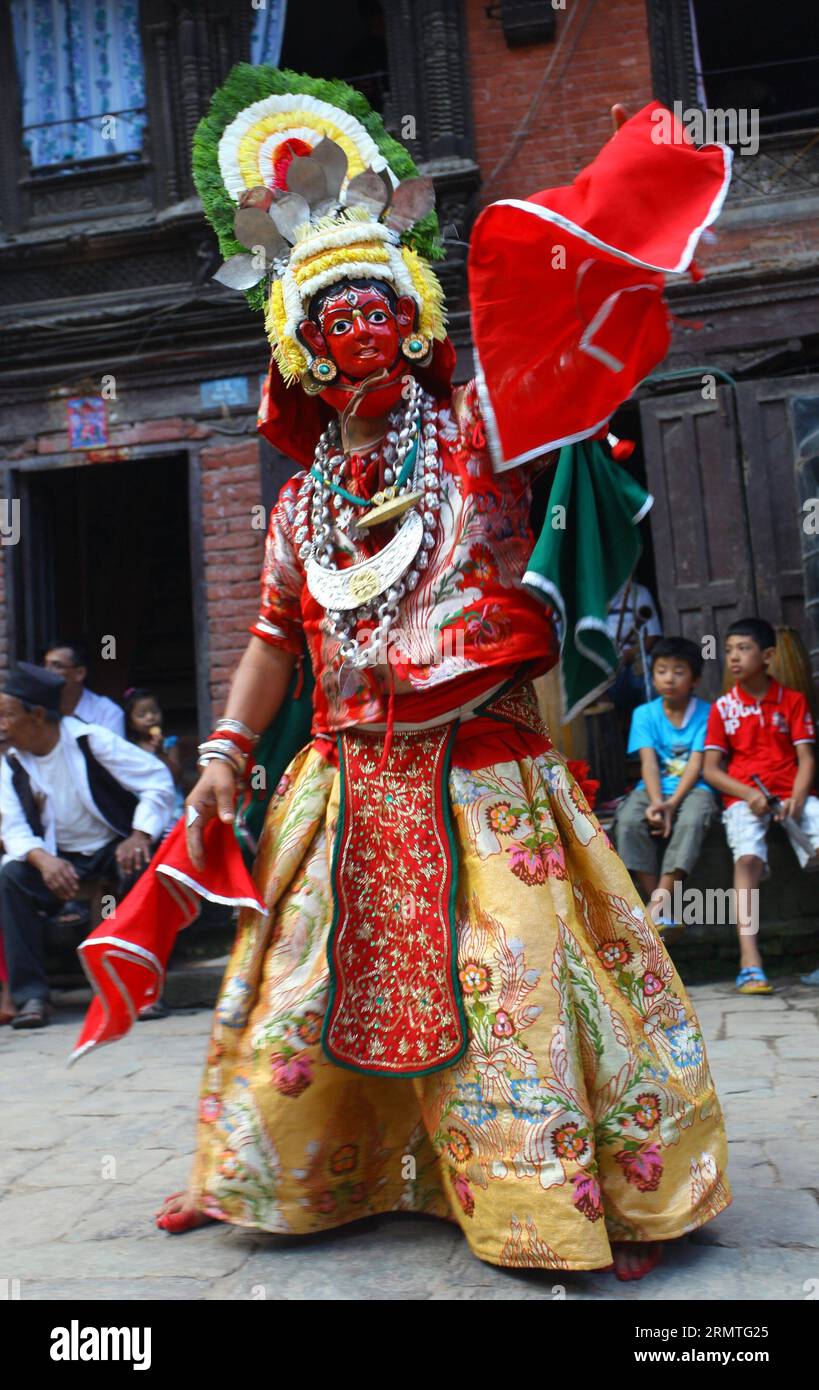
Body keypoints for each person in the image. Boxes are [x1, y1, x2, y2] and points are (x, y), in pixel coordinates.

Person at [83, 72, 732, 1280]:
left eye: (382, 303)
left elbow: (568, 400)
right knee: (291, 988)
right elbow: (277, 637)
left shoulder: (482, 435)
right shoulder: (297, 511)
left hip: (483, 775)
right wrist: (226, 749)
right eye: (335, 314)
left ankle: (567, 1198)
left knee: (515, 984)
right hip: (342, 781)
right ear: (303, 347)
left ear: (416, 318)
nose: (363, 326)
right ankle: (276, 1174)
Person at [0, 663, 175, 1029]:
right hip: (58, 856)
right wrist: (45, 861)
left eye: (5, 715)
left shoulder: (90, 739)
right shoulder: (9, 760)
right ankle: (30, 995)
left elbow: (157, 780)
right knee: (11, 877)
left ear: (36, 715)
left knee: (140, 866)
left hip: (113, 848)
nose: (0, 724)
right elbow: (12, 827)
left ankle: (139, 988)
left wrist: (140, 834)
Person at [703, 618, 819, 995]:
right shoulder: (723, 707)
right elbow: (711, 770)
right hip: (744, 799)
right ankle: (750, 962)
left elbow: (807, 759)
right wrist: (749, 795)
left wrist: (798, 799)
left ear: (768, 655)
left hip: (793, 795)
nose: (733, 657)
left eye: (743, 649)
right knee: (748, 859)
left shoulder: (793, 702)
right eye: (729, 650)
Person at [615, 637, 715, 926]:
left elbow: (696, 765)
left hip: (695, 787)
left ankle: (657, 905)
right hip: (652, 788)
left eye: (679, 671)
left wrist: (671, 805)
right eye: (661, 670)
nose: (669, 678)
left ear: (694, 679)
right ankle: (661, 911)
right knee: (630, 821)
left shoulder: (708, 714)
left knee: (693, 820)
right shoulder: (644, 714)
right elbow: (648, 762)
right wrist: (658, 802)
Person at [124, 687, 184, 821]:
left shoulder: (170, 744)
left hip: (172, 807)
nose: (150, 717)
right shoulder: (130, 749)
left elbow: (176, 778)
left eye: (154, 711)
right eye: (141, 715)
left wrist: (161, 754)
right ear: (131, 724)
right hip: (144, 807)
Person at [43, 640, 125, 737]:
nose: (45, 672)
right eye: (45, 665)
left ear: (80, 673)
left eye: (57, 666)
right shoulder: (36, 707)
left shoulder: (107, 712)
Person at [605, 577, 662, 714]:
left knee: (652, 671)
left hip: (632, 660)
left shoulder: (639, 592)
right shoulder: (591, 594)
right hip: (603, 664)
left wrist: (629, 655)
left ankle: (653, 719)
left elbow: (653, 635)